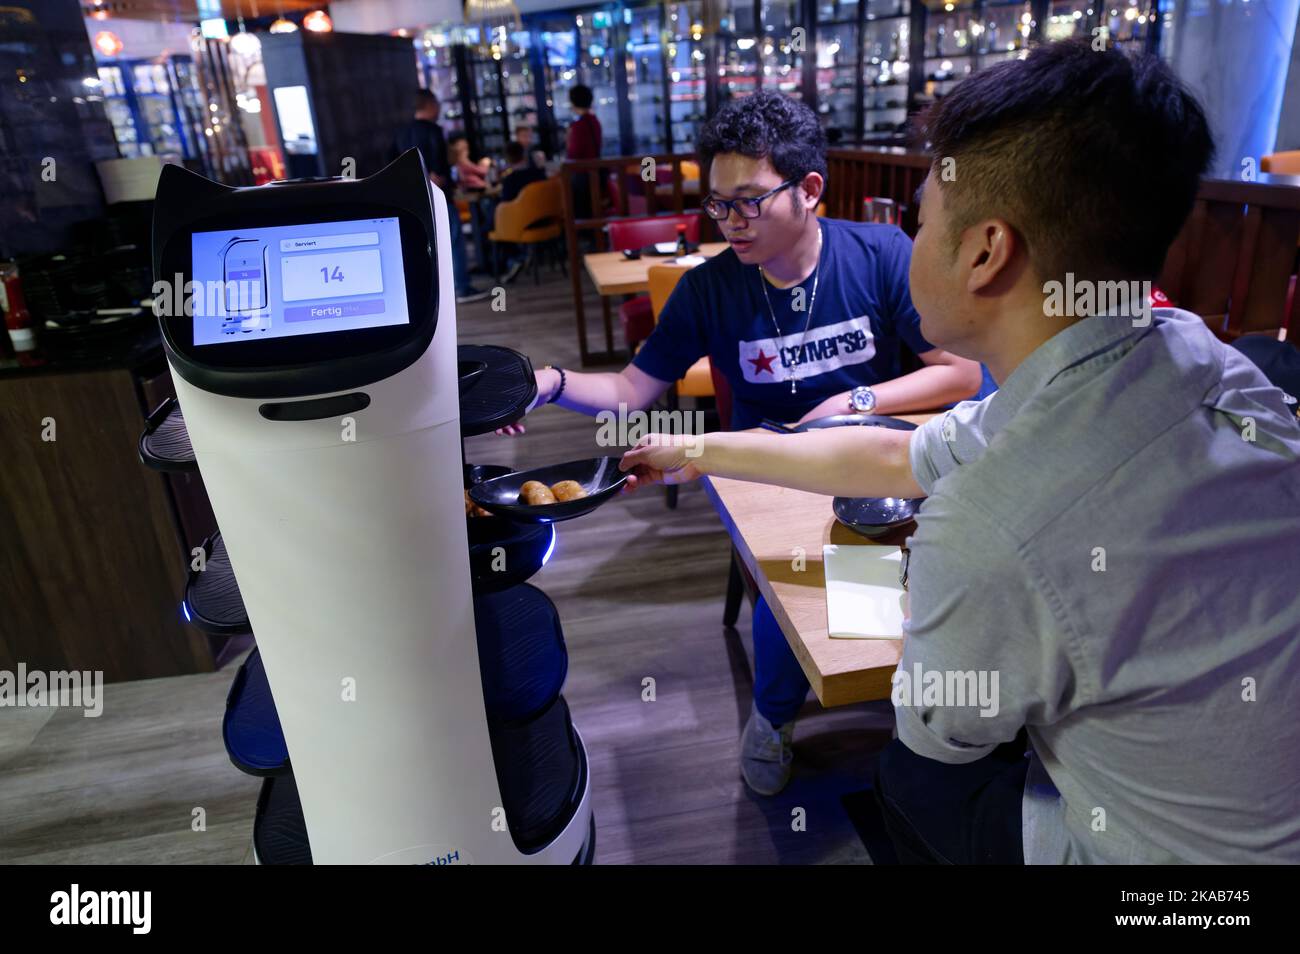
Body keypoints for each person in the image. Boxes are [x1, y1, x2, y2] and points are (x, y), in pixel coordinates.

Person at [620, 40, 1300, 863]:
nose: (908, 239)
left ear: (985, 252)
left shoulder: (986, 525)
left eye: (922, 220)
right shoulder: (1189, 353)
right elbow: (886, 459)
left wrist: (923, 602)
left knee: (910, 777)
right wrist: (698, 451)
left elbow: (939, 731)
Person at [506, 90, 982, 795]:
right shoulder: (709, 291)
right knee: (797, 589)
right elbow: (630, 393)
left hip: (875, 461)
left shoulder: (880, 254)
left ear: (809, 190)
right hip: (765, 470)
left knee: (916, 575)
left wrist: (853, 400)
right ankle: (776, 717)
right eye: (718, 204)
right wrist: (544, 382)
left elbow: (963, 370)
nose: (731, 221)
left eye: (749, 201)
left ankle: (906, 709)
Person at [391, 90, 488, 304]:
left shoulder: (401, 133)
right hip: (438, 198)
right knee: (453, 241)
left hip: (411, 200)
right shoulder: (434, 131)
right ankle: (462, 287)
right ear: (431, 104)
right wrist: (437, 178)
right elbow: (439, 172)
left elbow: (393, 164)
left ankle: (432, 294)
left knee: (422, 247)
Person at [494, 141, 548, 284]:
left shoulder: (510, 180)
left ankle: (515, 259)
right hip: (545, 219)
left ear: (507, 159)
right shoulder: (539, 174)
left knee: (494, 222)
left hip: (519, 225)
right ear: (523, 155)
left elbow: (505, 204)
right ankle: (523, 256)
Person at [566, 84, 602, 220]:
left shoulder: (577, 126)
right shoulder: (594, 121)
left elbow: (573, 154)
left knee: (581, 213)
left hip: (582, 177)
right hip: (596, 173)